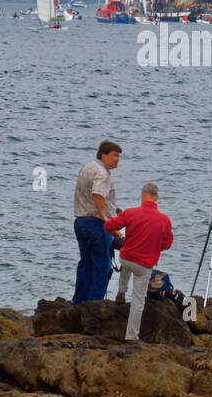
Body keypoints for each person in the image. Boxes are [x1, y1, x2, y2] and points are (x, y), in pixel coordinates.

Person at [104, 183, 173, 341]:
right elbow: (167, 244)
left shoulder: (130, 213)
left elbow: (109, 225)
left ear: (142, 195)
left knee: (126, 265)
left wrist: (111, 224)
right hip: (144, 264)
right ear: (156, 198)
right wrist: (155, 247)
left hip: (126, 258)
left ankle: (121, 292)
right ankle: (131, 336)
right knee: (138, 300)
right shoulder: (164, 220)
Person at [72, 141, 122, 304]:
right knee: (102, 264)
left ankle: (79, 302)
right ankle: (95, 303)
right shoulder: (102, 173)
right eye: (115, 155)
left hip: (81, 221)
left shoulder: (87, 168)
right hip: (97, 223)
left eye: (118, 156)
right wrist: (105, 217)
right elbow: (97, 194)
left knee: (86, 263)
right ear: (104, 155)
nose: (118, 159)